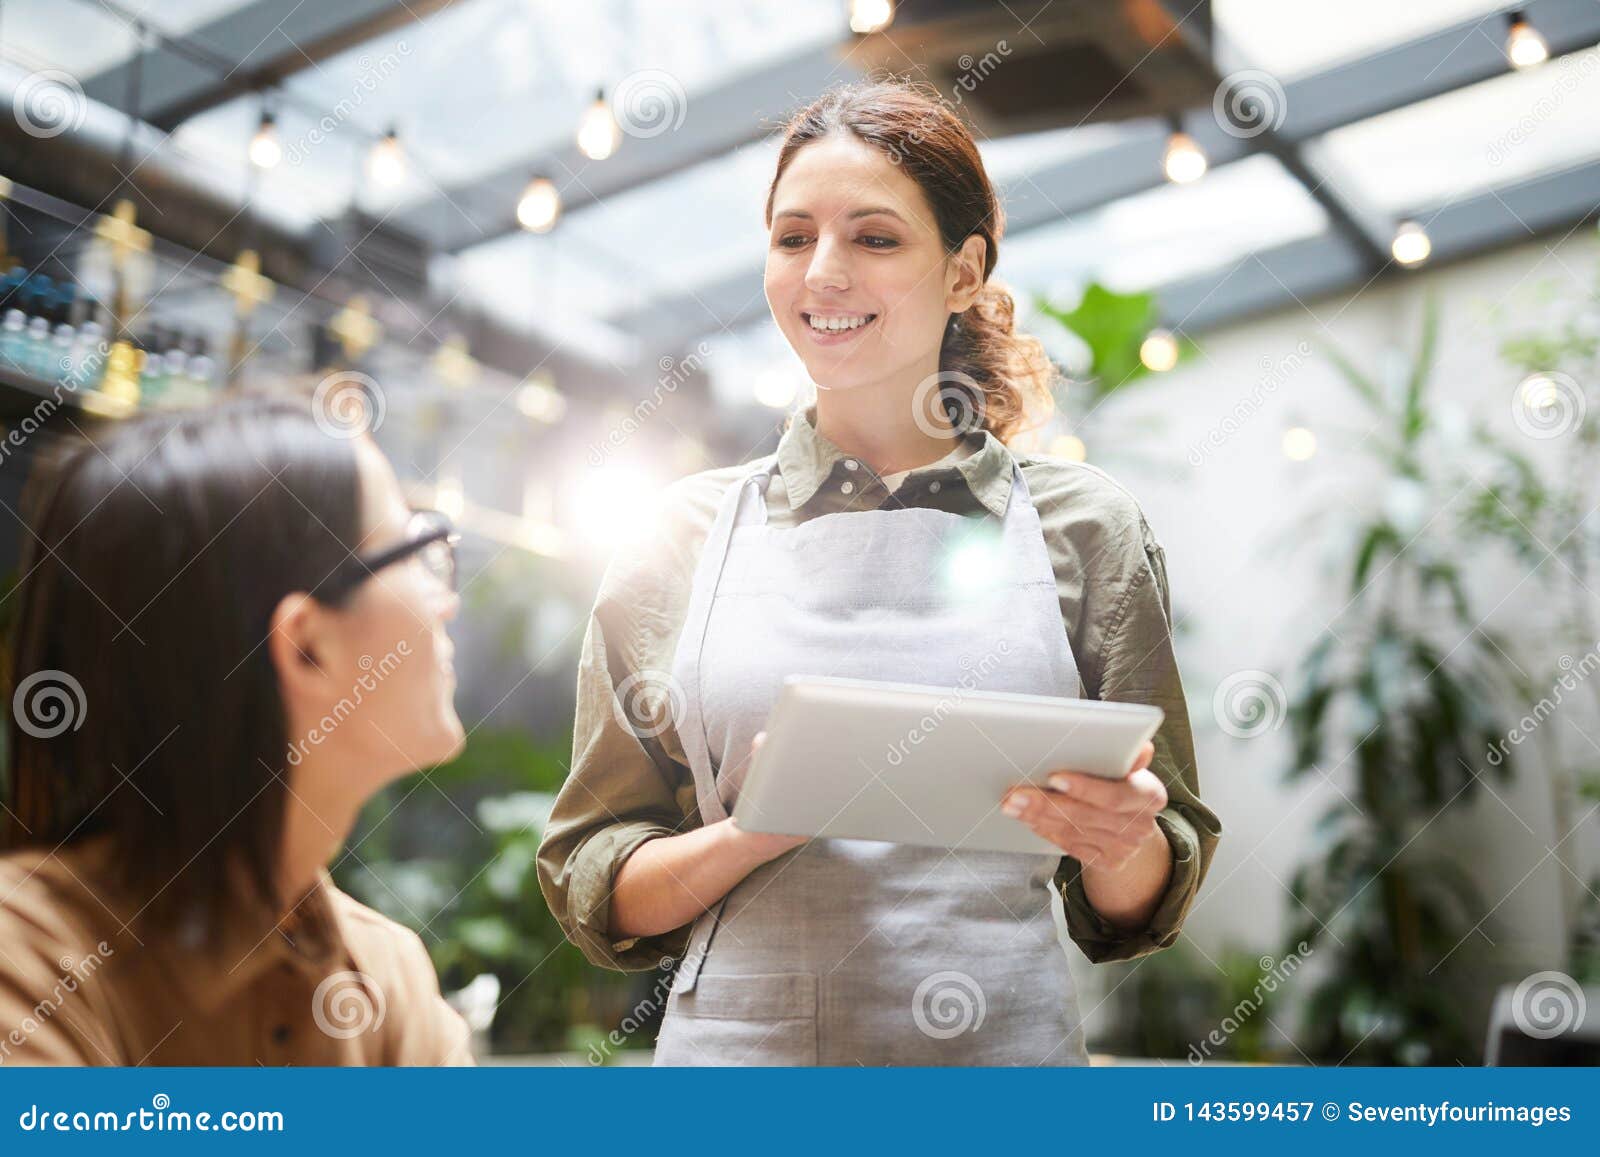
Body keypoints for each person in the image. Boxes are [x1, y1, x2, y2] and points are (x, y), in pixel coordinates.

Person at [537, 79, 1222, 1066]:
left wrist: (1121, 842)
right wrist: (760, 823)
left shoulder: (1086, 527)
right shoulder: (678, 535)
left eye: (874, 238)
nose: (822, 272)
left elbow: (1135, 901)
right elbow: (597, 882)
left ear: (962, 269)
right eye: (790, 237)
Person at [0, 395, 473, 1065]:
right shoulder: (25, 973)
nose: (447, 599)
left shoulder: (389, 976)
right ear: (307, 647)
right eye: (417, 549)